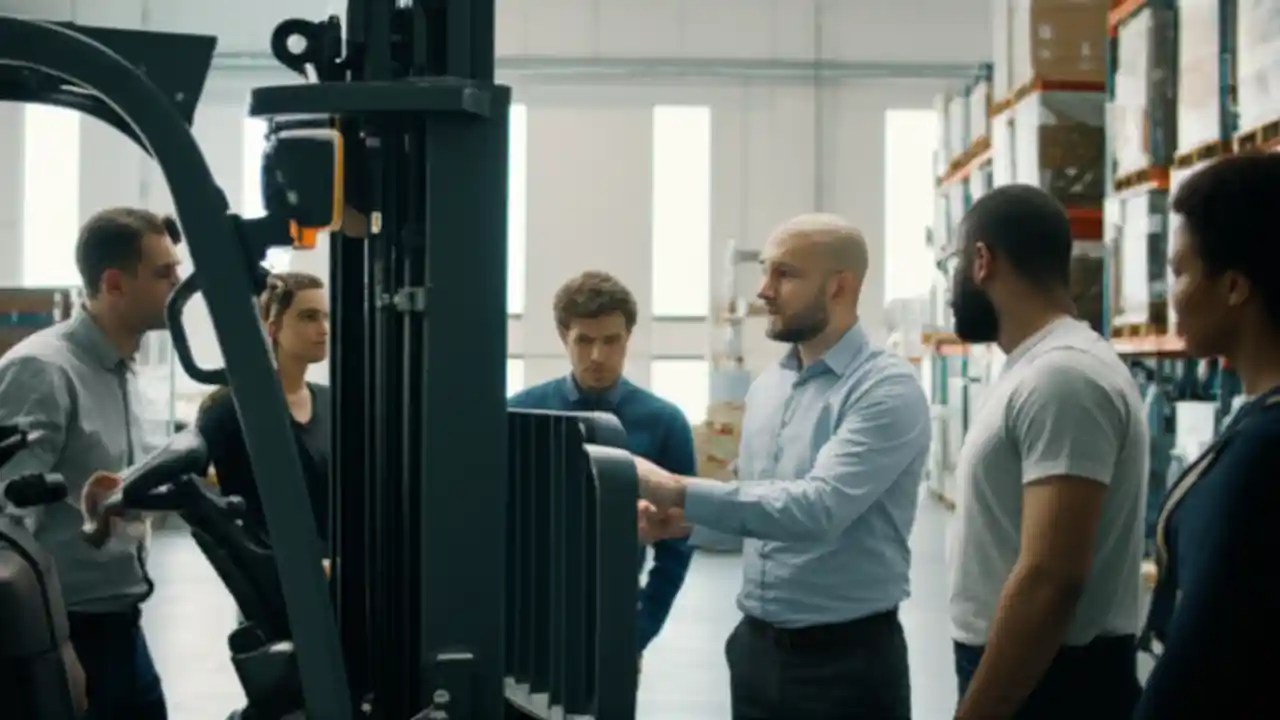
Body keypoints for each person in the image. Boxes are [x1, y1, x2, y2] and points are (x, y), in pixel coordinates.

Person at [634, 213, 930, 720]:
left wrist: (676, 488)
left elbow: (818, 508)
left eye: (785, 275)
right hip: (756, 648)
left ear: (840, 286)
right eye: (766, 272)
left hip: (845, 663)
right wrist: (685, 521)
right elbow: (762, 499)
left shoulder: (883, 389)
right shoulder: (770, 386)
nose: (763, 291)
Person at [944, 185, 1146, 719]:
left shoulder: (1064, 378)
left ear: (982, 261)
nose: (951, 282)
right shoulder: (1035, 369)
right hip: (1030, 669)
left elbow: (1051, 579)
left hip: (1051, 681)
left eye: (954, 262)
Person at [0, 207, 181, 720]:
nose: (180, 285)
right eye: (164, 274)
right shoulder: (43, 369)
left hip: (121, 620)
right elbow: (6, 527)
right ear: (114, 284)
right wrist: (52, 649)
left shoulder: (124, 371)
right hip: (69, 631)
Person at [1134, 153, 1280, 719]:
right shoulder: (1254, 423)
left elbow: (1200, 664)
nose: (1172, 293)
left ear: (1236, 286)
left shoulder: (1262, 454)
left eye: (1180, 270)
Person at [508, 270, 696, 657]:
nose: (598, 356)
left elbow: (679, 542)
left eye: (611, 341)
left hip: (615, 615)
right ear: (564, 337)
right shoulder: (520, 413)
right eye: (585, 341)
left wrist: (641, 629)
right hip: (524, 618)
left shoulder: (664, 423)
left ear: (628, 337)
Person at [196, 271, 332, 546]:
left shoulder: (331, 402)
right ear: (273, 327)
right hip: (278, 574)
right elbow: (199, 499)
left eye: (326, 316)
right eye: (309, 317)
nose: (324, 329)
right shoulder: (230, 409)